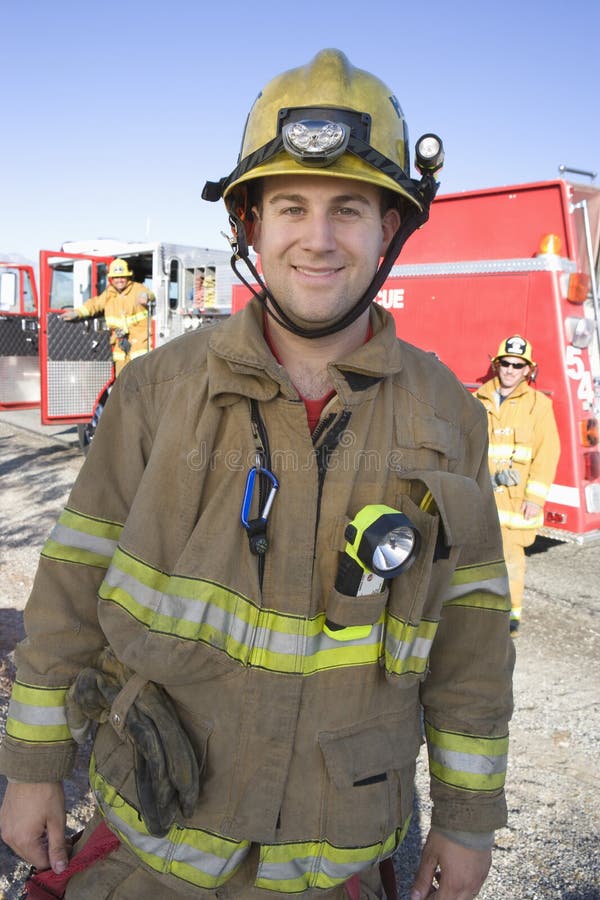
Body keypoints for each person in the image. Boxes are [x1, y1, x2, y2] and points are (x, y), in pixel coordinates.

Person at [0, 50, 515, 899]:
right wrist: (33, 767)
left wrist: (464, 818)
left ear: (390, 228)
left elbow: (473, 636)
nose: (319, 238)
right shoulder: (157, 392)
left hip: (331, 856)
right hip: (154, 840)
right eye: (291, 207)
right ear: (249, 225)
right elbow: (70, 587)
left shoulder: (447, 417)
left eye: (349, 208)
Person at [476, 335, 560, 635]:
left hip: (514, 503)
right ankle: (479, 612)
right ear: (497, 365)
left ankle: (509, 617)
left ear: (528, 370)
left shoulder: (539, 406)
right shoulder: (478, 400)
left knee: (511, 561)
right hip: (483, 498)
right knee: (477, 559)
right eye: (506, 363)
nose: (510, 370)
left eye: (518, 365)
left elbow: (547, 453)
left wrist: (535, 499)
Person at [61, 257, 152, 375]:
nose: (119, 280)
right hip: (120, 339)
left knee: (140, 374)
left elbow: (148, 294)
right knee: (121, 374)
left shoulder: (137, 288)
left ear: (128, 277)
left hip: (139, 339)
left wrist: (145, 296)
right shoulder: (109, 293)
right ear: (111, 279)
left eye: (122, 277)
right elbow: (94, 305)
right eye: (116, 277)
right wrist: (77, 313)